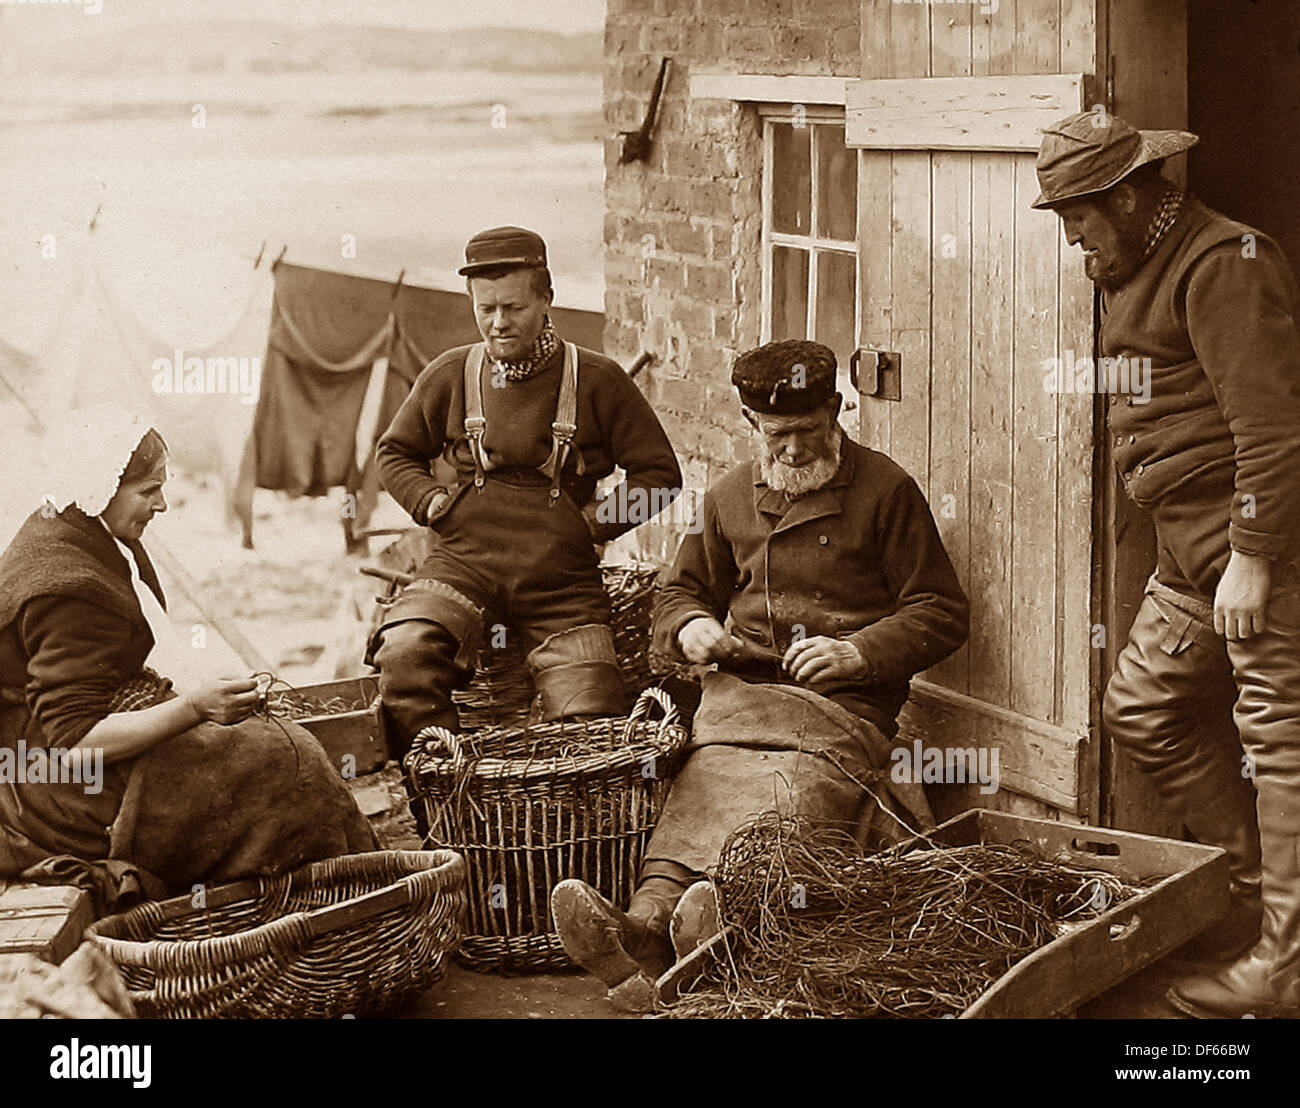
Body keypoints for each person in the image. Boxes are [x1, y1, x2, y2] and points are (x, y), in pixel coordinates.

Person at [551, 340, 969, 1010]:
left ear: (836, 410)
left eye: (809, 432)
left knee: (785, 796)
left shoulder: (886, 492)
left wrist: (858, 651)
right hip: (738, 704)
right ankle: (646, 925)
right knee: (699, 789)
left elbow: (940, 610)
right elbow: (677, 594)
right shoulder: (726, 499)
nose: (795, 450)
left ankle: (714, 923)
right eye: (778, 435)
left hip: (838, 713)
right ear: (751, 425)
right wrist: (691, 626)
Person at [1033, 112, 1300, 1018]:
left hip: (1260, 556)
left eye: (1081, 216)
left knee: (1283, 746)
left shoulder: (1227, 263)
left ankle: (1286, 971)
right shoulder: (1131, 263)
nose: (1073, 238)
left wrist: (1256, 559)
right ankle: (1253, 897)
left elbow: (1271, 430)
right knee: (1142, 707)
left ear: (1130, 196)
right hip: (1192, 561)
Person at [0, 404, 376, 910]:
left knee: (267, 744)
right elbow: (74, 743)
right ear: (99, 485)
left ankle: (343, 886)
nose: (161, 505)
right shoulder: (70, 588)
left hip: (36, 755)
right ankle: (343, 902)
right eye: (148, 490)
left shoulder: (63, 525)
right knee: (281, 764)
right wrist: (194, 708)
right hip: (51, 787)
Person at [370, 226, 682, 752]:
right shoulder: (450, 373)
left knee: (590, 716)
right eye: (485, 308)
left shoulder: (599, 380)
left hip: (561, 583)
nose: (497, 322)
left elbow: (661, 478)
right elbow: (393, 452)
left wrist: (591, 525)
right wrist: (432, 502)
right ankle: (444, 805)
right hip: (461, 565)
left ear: (546, 299)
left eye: (512, 307)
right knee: (403, 658)